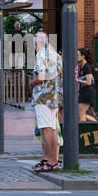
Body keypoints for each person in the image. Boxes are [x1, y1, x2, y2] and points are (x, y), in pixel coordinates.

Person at [30, 32, 62, 172]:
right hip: (54, 96)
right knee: (53, 129)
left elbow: (41, 77)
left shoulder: (41, 54)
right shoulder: (55, 54)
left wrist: (31, 83)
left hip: (43, 96)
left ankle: (50, 161)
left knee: (46, 129)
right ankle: (53, 160)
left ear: (36, 43)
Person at [75, 48, 95, 122]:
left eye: (78, 55)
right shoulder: (82, 66)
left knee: (81, 115)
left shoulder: (87, 66)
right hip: (84, 92)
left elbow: (89, 82)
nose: (76, 57)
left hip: (87, 92)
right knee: (81, 114)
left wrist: (77, 80)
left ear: (83, 56)